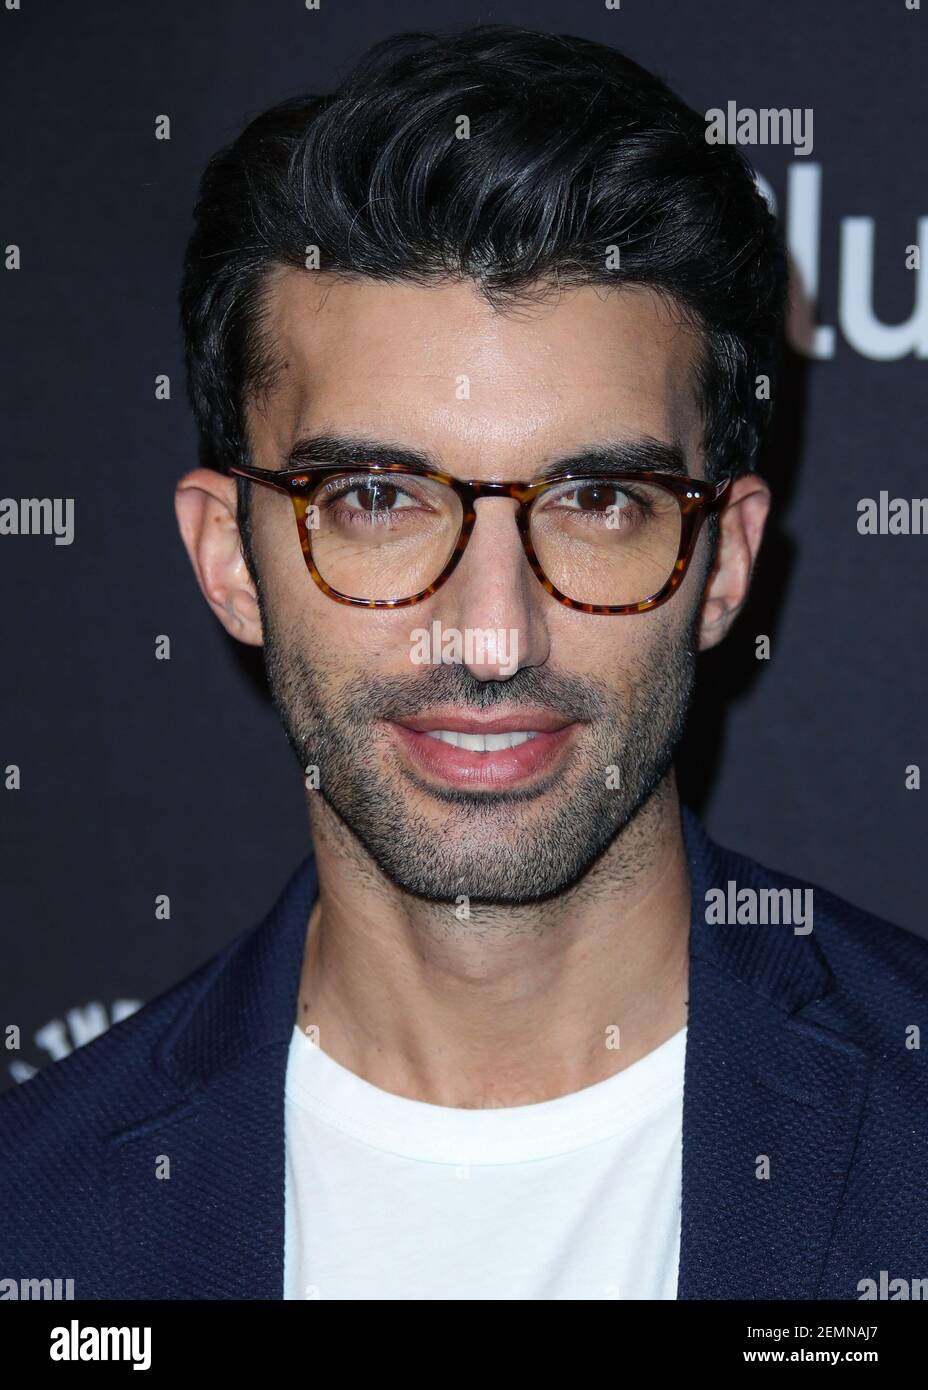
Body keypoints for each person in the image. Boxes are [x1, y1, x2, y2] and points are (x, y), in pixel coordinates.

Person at [1, 24, 925, 1302]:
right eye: (377, 497)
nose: (492, 636)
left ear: (722, 564)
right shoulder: (35, 1223)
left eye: (599, 501)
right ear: (226, 560)